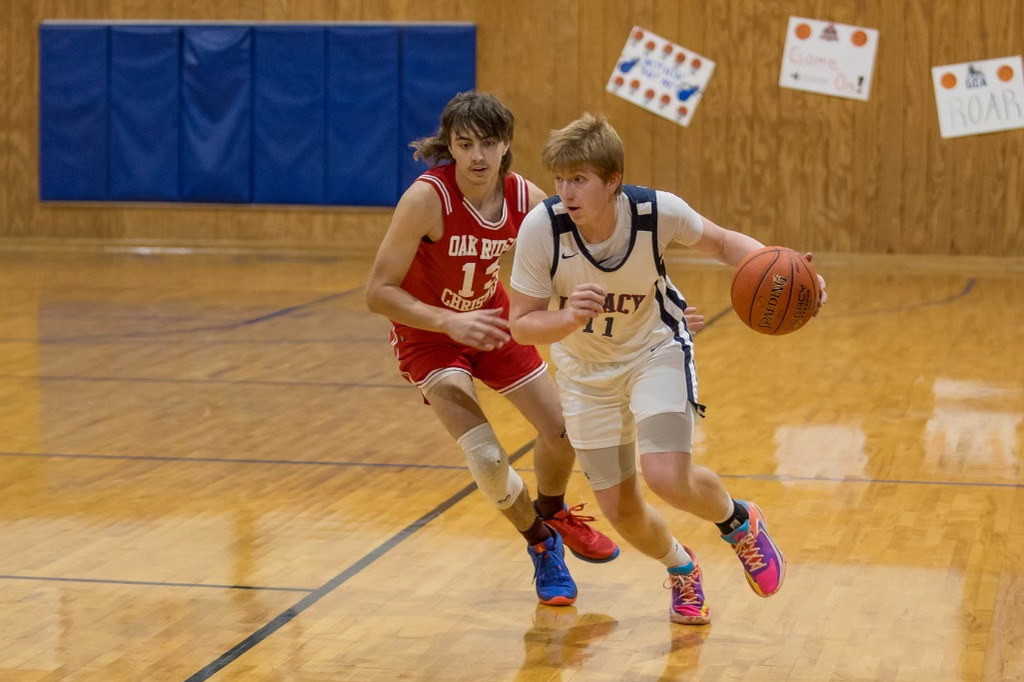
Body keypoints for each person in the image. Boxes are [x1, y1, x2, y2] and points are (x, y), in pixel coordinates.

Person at [507, 113, 827, 624]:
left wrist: (795, 272)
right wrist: (566, 315)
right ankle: (681, 569)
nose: (566, 191)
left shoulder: (655, 212)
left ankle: (740, 523)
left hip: (654, 350)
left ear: (613, 181)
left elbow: (724, 243)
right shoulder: (542, 229)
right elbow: (520, 325)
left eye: (580, 179)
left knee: (666, 476)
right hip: (585, 376)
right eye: (560, 179)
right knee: (622, 510)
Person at [364, 92, 622, 607]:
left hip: (492, 319)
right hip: (429, 335)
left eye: (488, 143)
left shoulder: (523, 197)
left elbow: (586, 249)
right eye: (465, 144)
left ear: (506, 145)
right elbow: (377, 292)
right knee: (485, 456)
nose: (477, 156)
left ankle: (553, 510)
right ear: (450, 147)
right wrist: (447, 320)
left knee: (563, 430)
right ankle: (540, 542)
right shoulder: (426, 200)